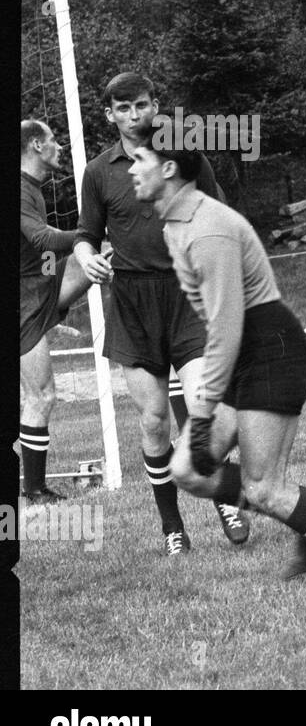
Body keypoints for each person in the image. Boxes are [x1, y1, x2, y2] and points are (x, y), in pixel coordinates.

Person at [127, 138, 306, 584]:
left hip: (272, 350)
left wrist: (201, 408)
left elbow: (226, 329)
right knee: (187, 469)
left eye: (140, 160)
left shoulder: (207, 229)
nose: (131, 169)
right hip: (242, 352)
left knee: (263, 488)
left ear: (170, 168)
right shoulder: (175, 221)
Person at [73, 73, 249, 555]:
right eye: (124, 108)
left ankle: (223, 498)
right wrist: (87, 254)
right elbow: (87, 231)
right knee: (153, 421)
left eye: (142, 105)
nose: (135, 115)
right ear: (109, 115)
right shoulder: (98, 172)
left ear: (156, 106)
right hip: (131, 303)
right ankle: (173, 528)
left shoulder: (187, 155)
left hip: (187, 298)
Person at [19, 121, 96, 503]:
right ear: (36, 144)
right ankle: (33, 488)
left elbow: (45, 251)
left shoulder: (32, 188)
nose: (60, 147)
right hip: (21, 303)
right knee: (42, 395)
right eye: (54, 140)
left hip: (38, 291)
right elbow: (43, 239)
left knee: (94, 256)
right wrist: (89, 233)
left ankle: (58, 312)